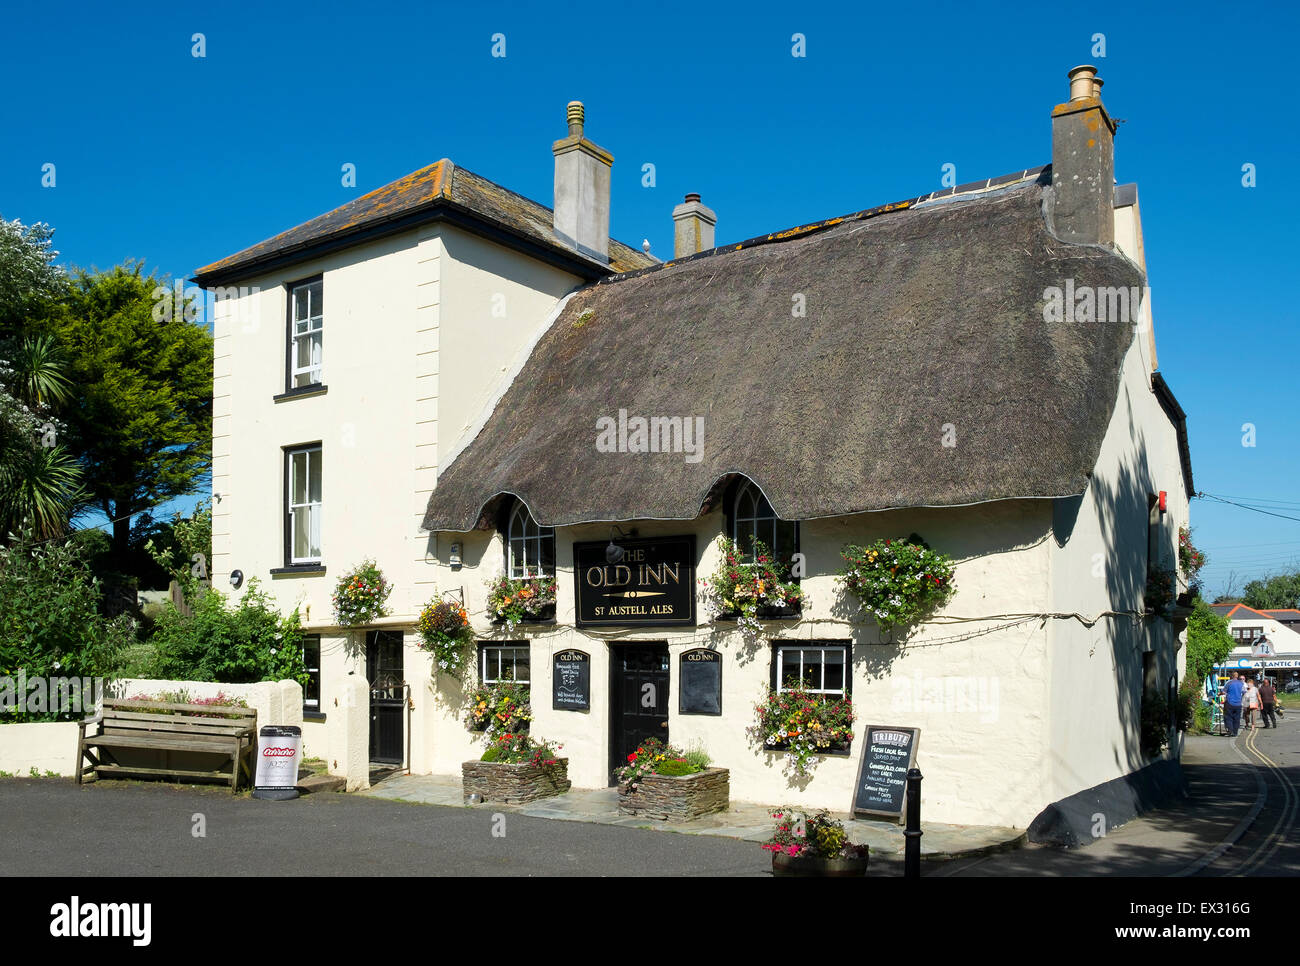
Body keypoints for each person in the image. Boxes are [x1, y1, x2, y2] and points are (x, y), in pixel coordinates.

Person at [1223, 671, 1244, 737]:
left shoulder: (1229, 683)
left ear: (1232, 676)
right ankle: (1235, 732)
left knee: (1228, 717)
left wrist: (1225, 694)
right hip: (1238, 703)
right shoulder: (1241, 683)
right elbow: (1244, 692)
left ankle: (1230, 731)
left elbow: (1223, 692)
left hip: (1230, 702)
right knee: (1237, 719)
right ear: (1237, 676)